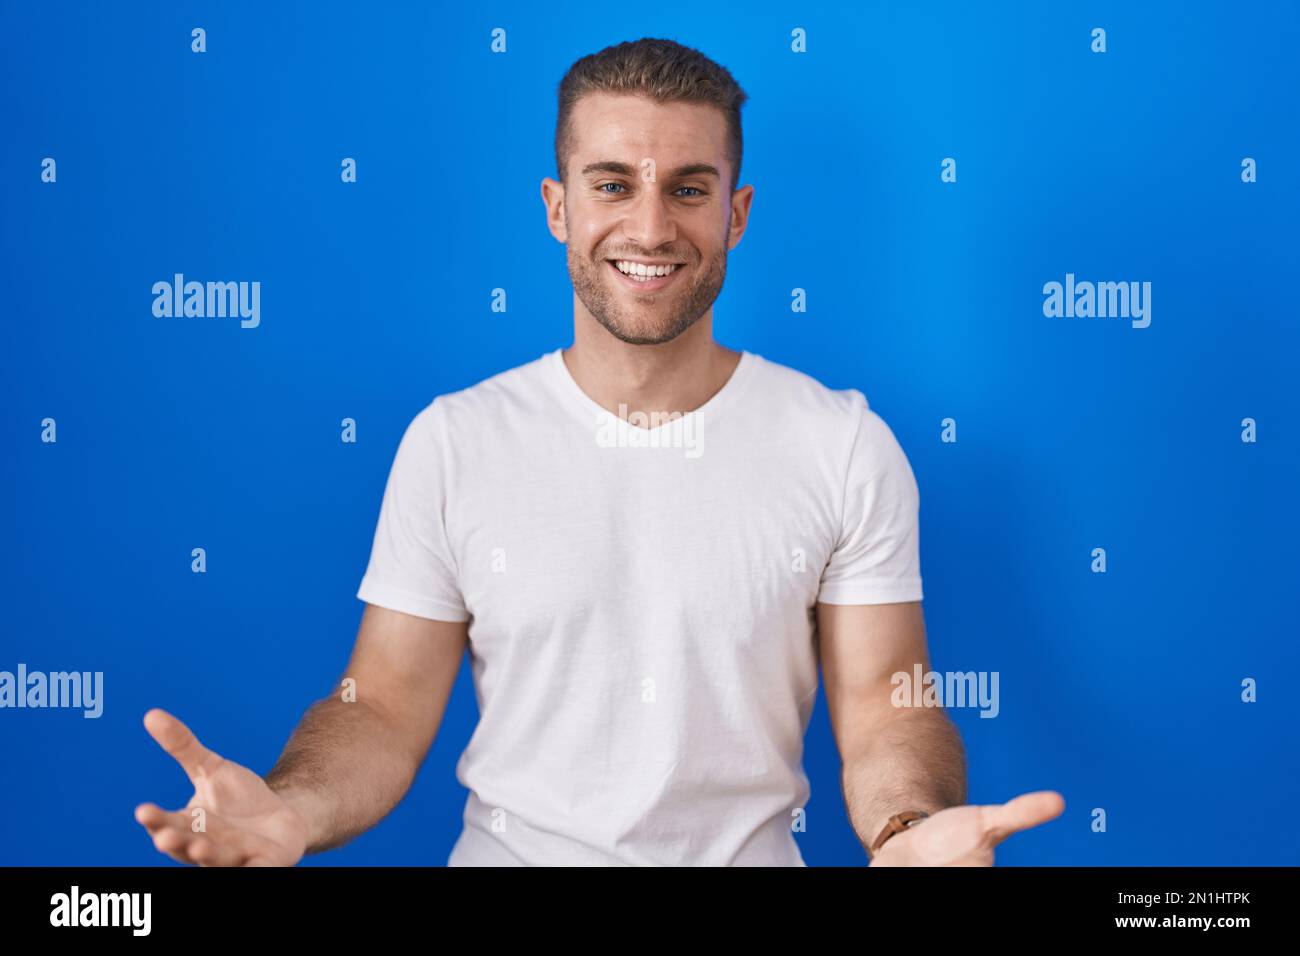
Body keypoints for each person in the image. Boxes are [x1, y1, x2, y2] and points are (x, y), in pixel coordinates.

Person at [136, 37, 1063, 866]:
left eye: (689, 189)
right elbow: (378, 704)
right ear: (557, 205)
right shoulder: (456, 441)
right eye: (613, 183)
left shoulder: (843, 445)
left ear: (737, 213)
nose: (651, 228)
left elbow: (886, 707)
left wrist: (905, 831)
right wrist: (291, 809)